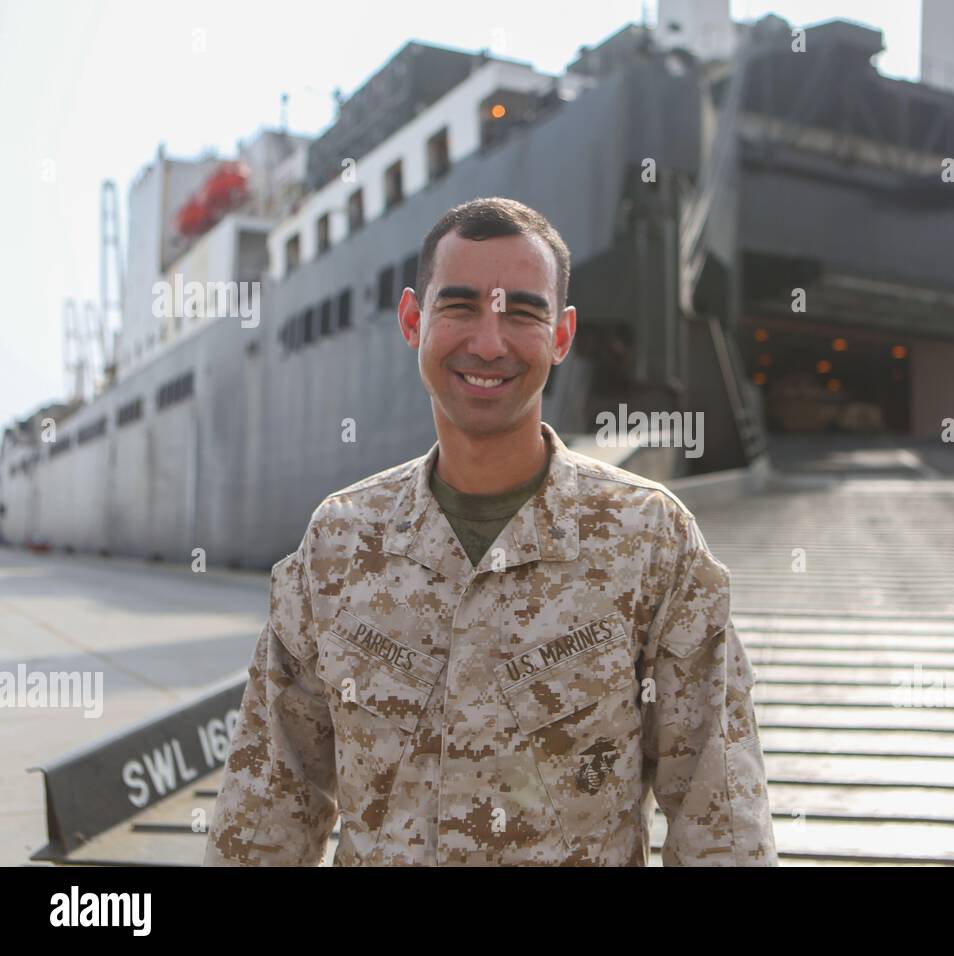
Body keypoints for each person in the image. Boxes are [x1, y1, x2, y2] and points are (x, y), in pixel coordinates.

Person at [203, 197, 778, 866]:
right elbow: (268, 805)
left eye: (522, 312)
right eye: (461, 306)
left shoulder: (648, 540)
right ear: (414, 320)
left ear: (560, 336)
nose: (489, 342)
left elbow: (720, 811)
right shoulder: (339, 545)